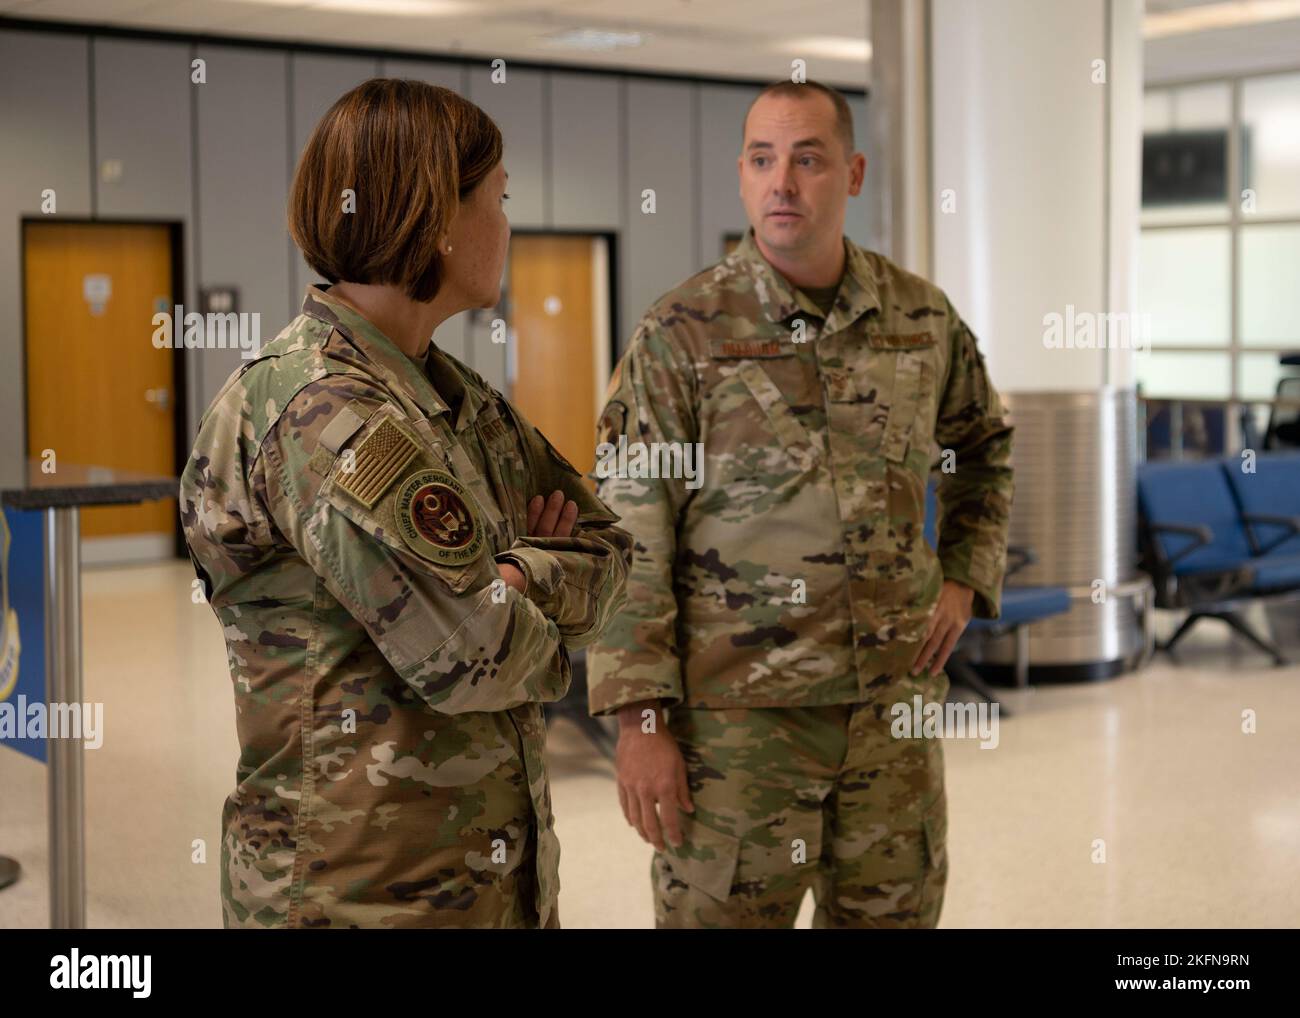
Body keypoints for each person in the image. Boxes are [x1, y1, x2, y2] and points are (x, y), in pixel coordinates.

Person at [179, 78, 631, 929]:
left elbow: (610, 550)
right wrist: (533, 582)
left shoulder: (457, 397)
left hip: (489, 885)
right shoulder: (320, 410)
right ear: (434, 217)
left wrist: (514, 573)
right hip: (357, 895)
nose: (506, 226)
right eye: (497, 200)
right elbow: (476, 655)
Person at [587, 80, 1014, 928]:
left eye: (808, 159)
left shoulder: (921, 320)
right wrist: (638, 721)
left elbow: (985, 447)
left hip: (891, 723)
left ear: (852, 174)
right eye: (761, 159)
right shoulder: (681, 334)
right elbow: (628, 533)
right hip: (738, 740)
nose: (783, 182)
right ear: (742, 177)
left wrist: (965, 573)